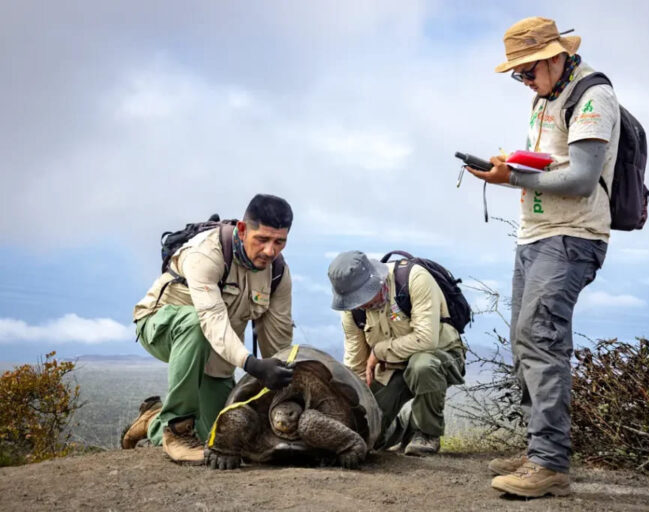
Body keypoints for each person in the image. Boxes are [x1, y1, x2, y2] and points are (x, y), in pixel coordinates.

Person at [466, 17, 619, 498]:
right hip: (535, 235)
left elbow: (579, 179)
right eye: (519, 75)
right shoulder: (545, 96)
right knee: (523, 339)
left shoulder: (592, 97)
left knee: (541, 338)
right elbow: (549, 164)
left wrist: (509, 180)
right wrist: (509, 167)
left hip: (572, 236)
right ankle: (538, 448)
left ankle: (550, 464)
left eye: (528, 71)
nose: (525, 81)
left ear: (555, 56)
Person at [124, 194, 295, 465]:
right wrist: (252, 364)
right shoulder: (206, 253)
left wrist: (283, 381)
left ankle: (153, 421)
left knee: (224, 440)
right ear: (242, 229)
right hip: (162, 327)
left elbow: (278, 340)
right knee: (194, 323)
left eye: (279, 242)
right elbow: (211, 320)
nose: (270, 251)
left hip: (216, 355)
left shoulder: (277, 274)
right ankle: (177, 429)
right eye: (261, 239)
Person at [327, 251, 465, 456]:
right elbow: (356, 365)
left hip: (438, 355)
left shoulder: (414, 279)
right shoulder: (352, 311)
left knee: (422, 366)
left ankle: (427, 434)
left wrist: (379, 351)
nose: (361, 303)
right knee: (365, 432)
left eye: (363, 296)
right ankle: (406, 426)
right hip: (391, 367)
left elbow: (426, 339)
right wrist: (352, 406)